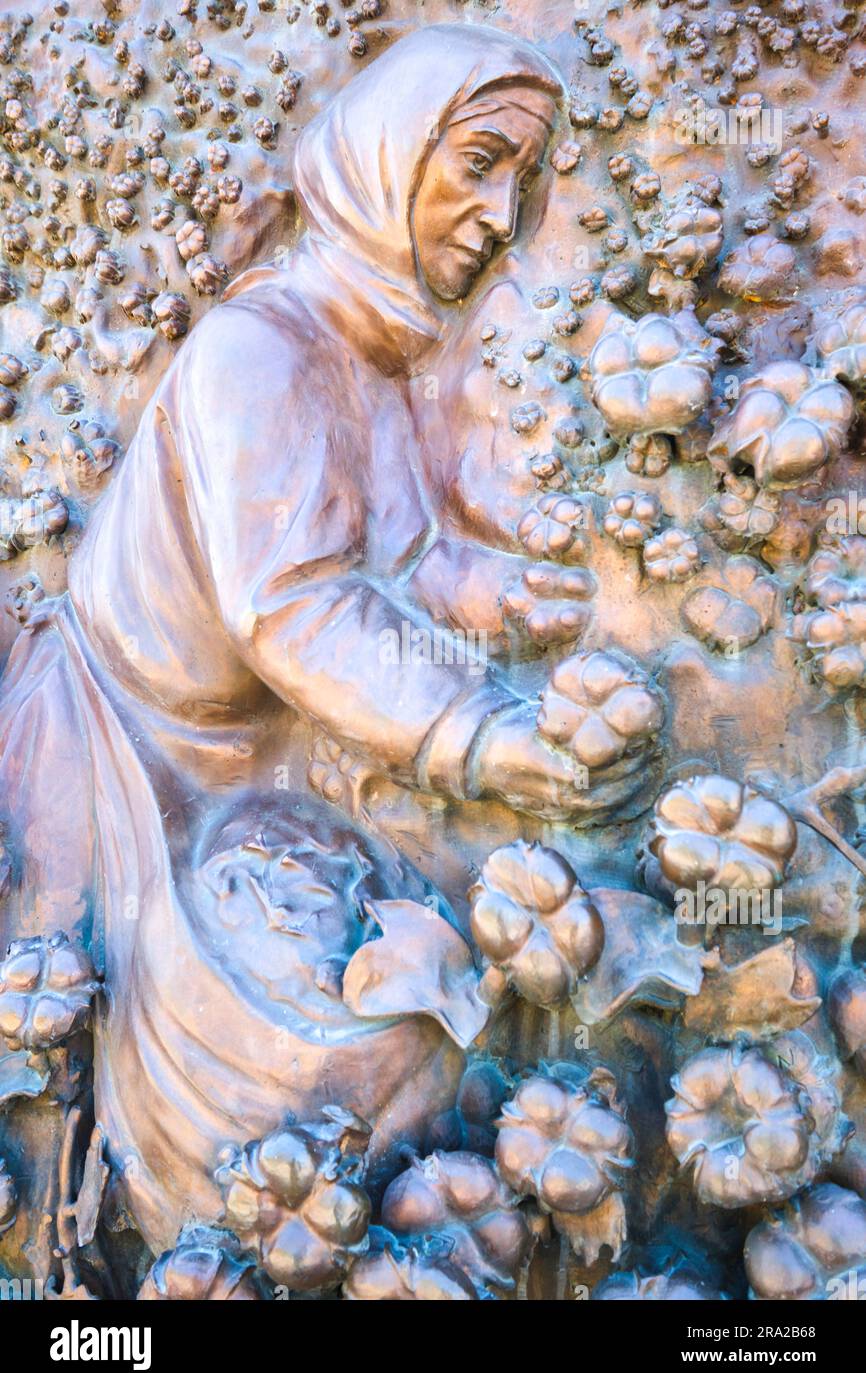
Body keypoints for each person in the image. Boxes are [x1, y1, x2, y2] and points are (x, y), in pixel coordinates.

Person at [0, 24, 599, 1250]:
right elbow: (295, 609)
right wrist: (478, 734)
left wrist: (518, 602)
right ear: (384, 159)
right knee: (220, 1079)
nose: (501, 216)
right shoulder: (259, 352)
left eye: (524, 187)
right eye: (479, 163)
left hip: (228, 776)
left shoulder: (360, 362)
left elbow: (406, 561)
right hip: (115, 762)